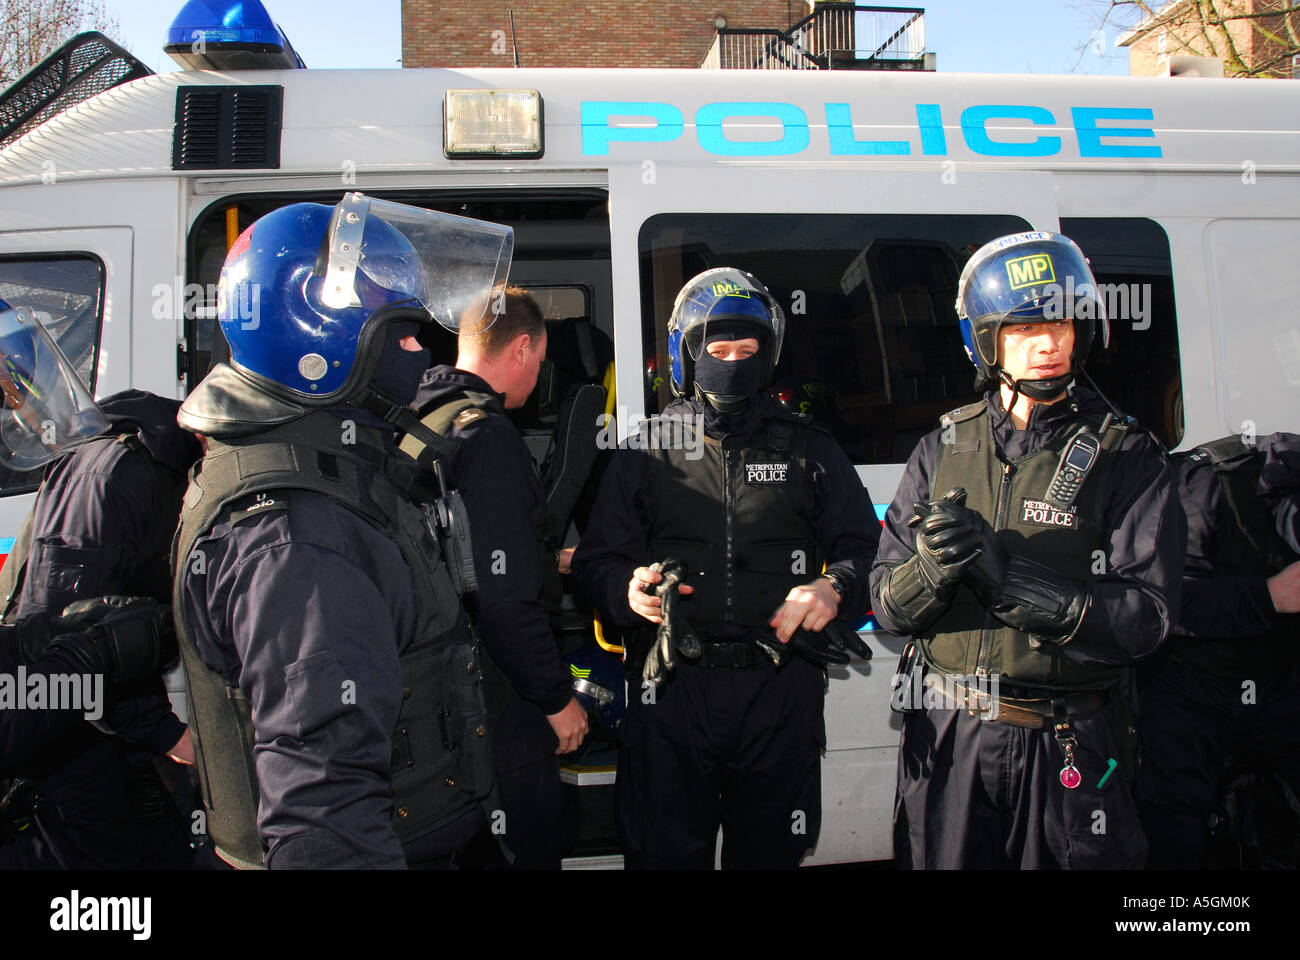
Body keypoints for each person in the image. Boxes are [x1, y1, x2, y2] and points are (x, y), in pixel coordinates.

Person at [173, 192, 513, 869]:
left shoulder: (331, 472)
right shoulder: (302, 535)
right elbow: (325, 816)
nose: (421, 354)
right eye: (405, 334)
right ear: (319, 340)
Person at [870, 231, 1185, 869]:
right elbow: (885, 604)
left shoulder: (1128, 454)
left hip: (1066, 742)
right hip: (951, 736)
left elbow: (1146, 618)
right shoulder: (942, 447)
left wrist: (1007, 579)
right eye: (1023, 329)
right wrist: (929, 572)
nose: (1048, 344)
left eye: (1062, 322)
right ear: (986, 342)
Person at [572, 267, 879, 870]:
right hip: (671, 691)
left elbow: (872, 555)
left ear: (769, 356)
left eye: (747, 350)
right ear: (688, 353)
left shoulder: (812, 449)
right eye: (717, 350)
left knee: (769, 852)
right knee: (662, 852)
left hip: (777, 688)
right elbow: (594, 561)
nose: (733, 363)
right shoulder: (645, 451)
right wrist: (625, 589)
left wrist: (834, 585)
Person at [0, 300, 198, 870]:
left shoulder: (149, 458)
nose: (18, 406)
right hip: (69, 748)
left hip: (93, 731)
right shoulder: (111, 475)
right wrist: (165, 735)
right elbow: (51, 670)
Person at [401, 286, 587, 868]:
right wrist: (557, 699)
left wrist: (546, 557)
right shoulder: (489, 437)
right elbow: (504, 601)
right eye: (542, 357)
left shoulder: (420, 418)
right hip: (494, 693)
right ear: (524, 347)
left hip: (431, 684)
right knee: (527, 841)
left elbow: (455, 548)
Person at [1135, 431, 1300, 868]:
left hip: (1274, 677)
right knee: (1175, 833)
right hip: (1188, 685)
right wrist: (1268, 596)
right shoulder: (1204, 487)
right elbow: (1162, 603)